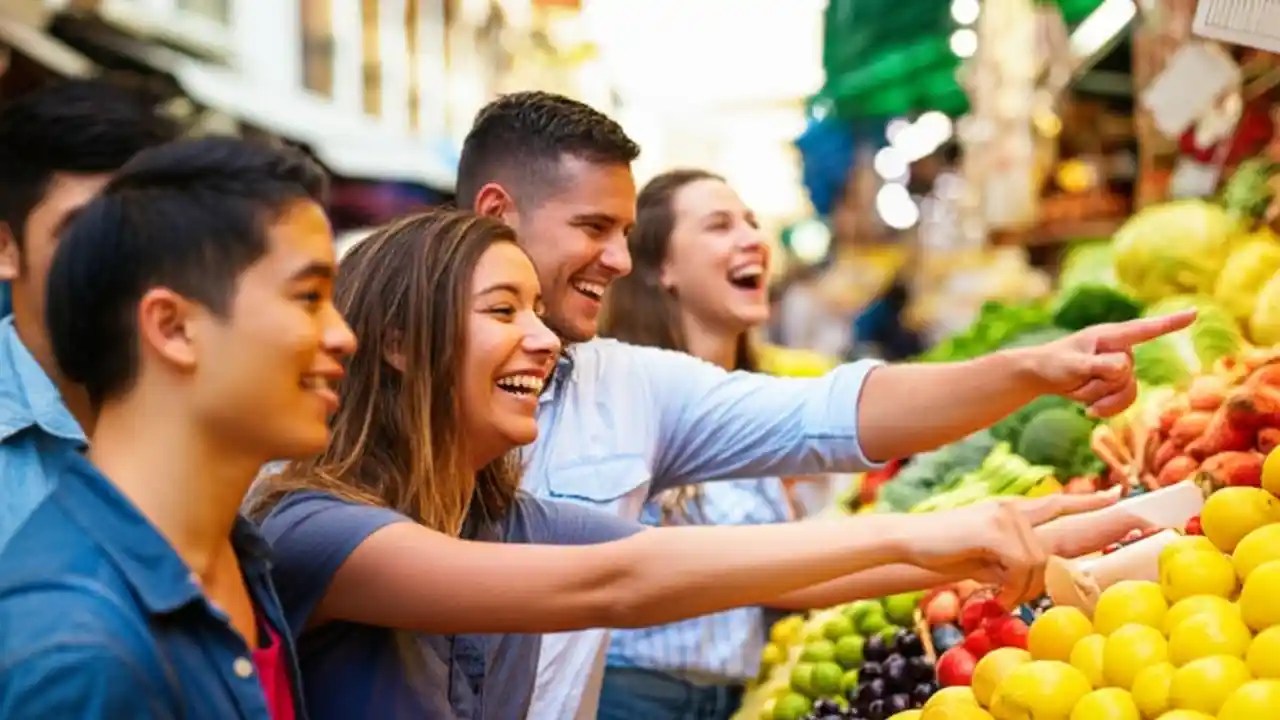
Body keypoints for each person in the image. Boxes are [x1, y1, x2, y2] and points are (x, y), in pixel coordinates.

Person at [456, 90, 1196, 718]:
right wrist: (925, 540)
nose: (614, 259)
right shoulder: (369, 446)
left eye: (621, 233)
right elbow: (622, 580)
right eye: (594, 229)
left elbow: (837, 415)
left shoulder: (627, 386)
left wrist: (1034, 370)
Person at [246, 209, 1133, 720]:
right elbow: (622, 580)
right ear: (397, 343)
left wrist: (1118, 523)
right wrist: (945, 532)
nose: (544, 337)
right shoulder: (314, 527)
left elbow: (757, 574)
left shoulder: (500, 518)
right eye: (502, 310)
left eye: (536, 310)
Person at [0, 136, 351, 718]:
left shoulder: (239, 560)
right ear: (172, 327)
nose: (342, 334)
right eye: (309, 296)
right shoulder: (75, 646)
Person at [596, 168, 833, 719]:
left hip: (725, 697)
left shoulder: (755, 405)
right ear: (662, 268)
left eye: (751, 222)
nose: (752, 238)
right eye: (719, 226)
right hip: (635, 699)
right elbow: (766, 576)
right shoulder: (627, 401)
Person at [0, 78, 177, 550]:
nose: (122, 256)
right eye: (84, 230)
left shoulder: (206, 407)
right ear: (5, 249)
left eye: (147, 229)